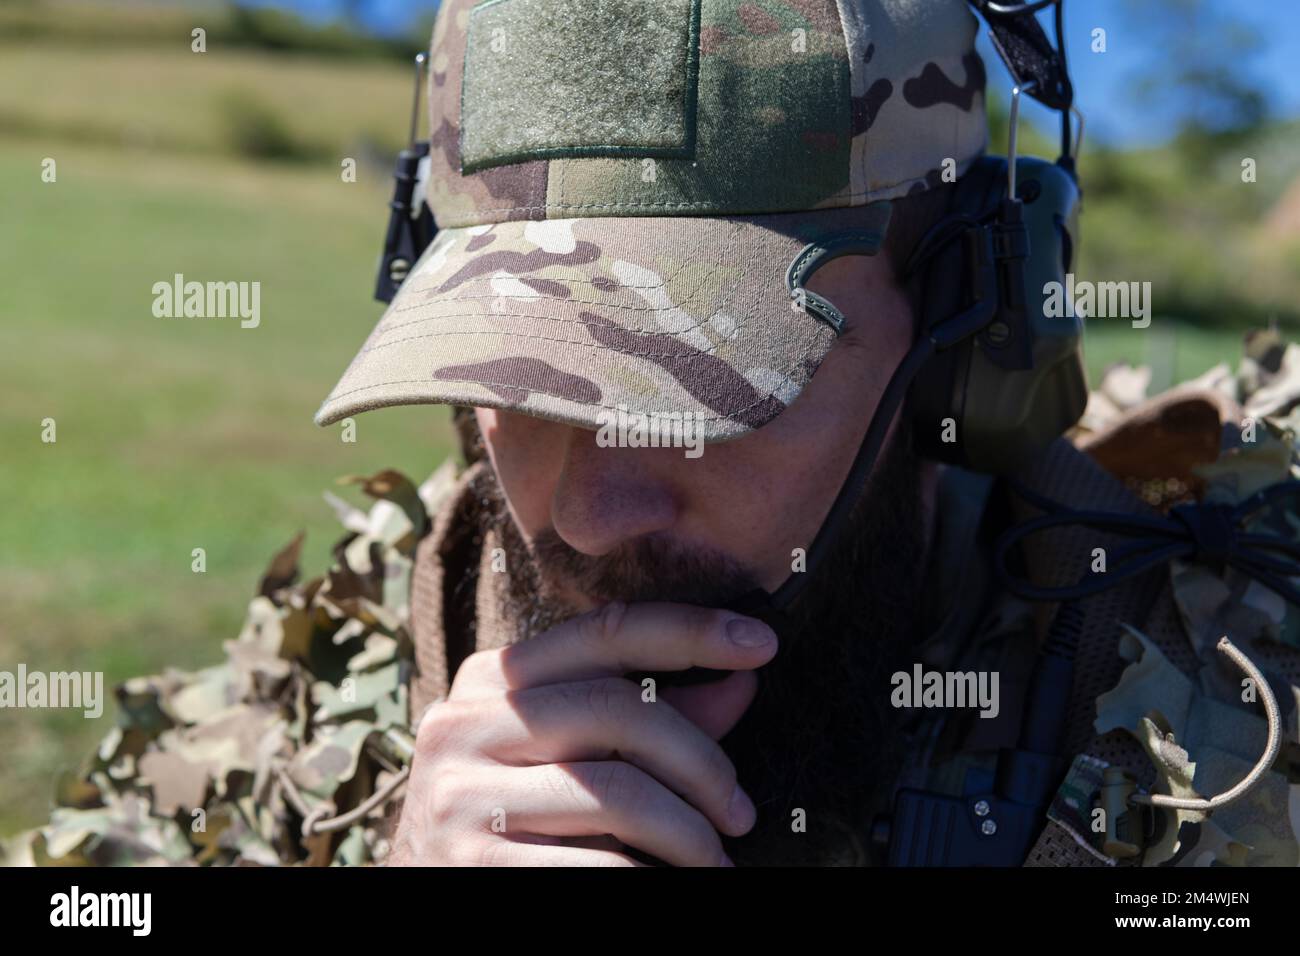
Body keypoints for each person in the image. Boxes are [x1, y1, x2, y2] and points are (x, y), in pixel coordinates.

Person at [7, 0, 1300, 868]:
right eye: (523, 378)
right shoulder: (285, 719)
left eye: (713, 389)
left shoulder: (1236, 730)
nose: (586, 512)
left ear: (976, 329)